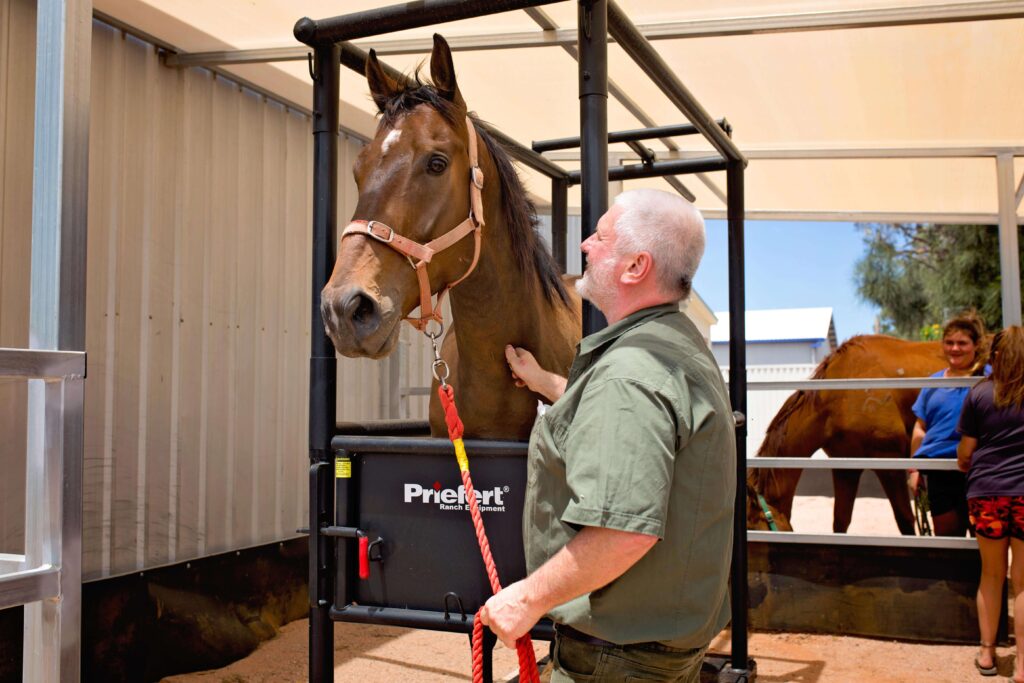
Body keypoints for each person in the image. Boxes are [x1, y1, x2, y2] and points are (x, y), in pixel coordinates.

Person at [477, 189, 736, 683]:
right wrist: (547, 384)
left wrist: (526, 599)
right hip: (657, 646)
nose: (586, 246)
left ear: (635, 266)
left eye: (600, 235)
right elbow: (622, 415)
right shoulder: (673, 348)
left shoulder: (630, 374)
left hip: (615, 660)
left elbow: (624, 533)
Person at [957, 326, 1024, 680]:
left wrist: (964, 460)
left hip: (986, 494)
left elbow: (965, 453)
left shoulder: (979, 394)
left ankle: (987, 655)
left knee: (992, 575)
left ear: (995, 356)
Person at [907, 312, 989, 536]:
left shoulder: (989, 379)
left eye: (962, 343)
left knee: (983, 543)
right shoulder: (933, 382)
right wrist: (914, 470)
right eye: (949, 343)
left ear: (976, 345)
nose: (955, 349)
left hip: (980, 471)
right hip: (939, 472)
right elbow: (919, 428)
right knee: (947, 540)